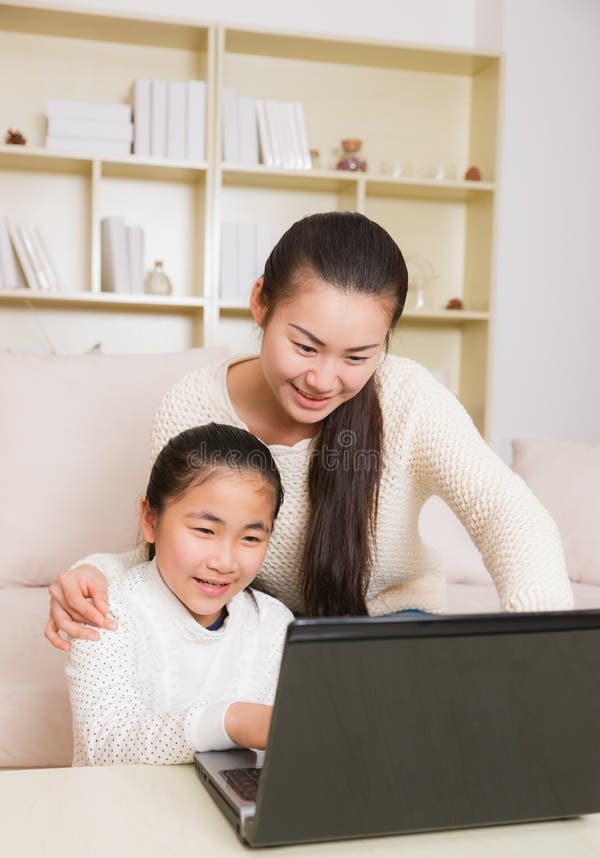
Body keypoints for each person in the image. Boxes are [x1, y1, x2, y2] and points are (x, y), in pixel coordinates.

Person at [47, 211, 572, 652]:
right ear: (260, 303)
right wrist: (94, 572)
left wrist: (543, 653)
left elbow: (511, 517)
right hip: (256, 630)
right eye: (304, 346)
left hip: (394, 622)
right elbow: (169, 550)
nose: (322, 381)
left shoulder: (407, 398)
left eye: (358, 356)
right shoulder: (194, 408)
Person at [66, 423, 294, 765]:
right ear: (150, 519)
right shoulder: (105, 613)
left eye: (250, 538)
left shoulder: (274, 624)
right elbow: (105, 746)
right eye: (205, 530)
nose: (224, 562)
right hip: (122, 810)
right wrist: (228, 722)